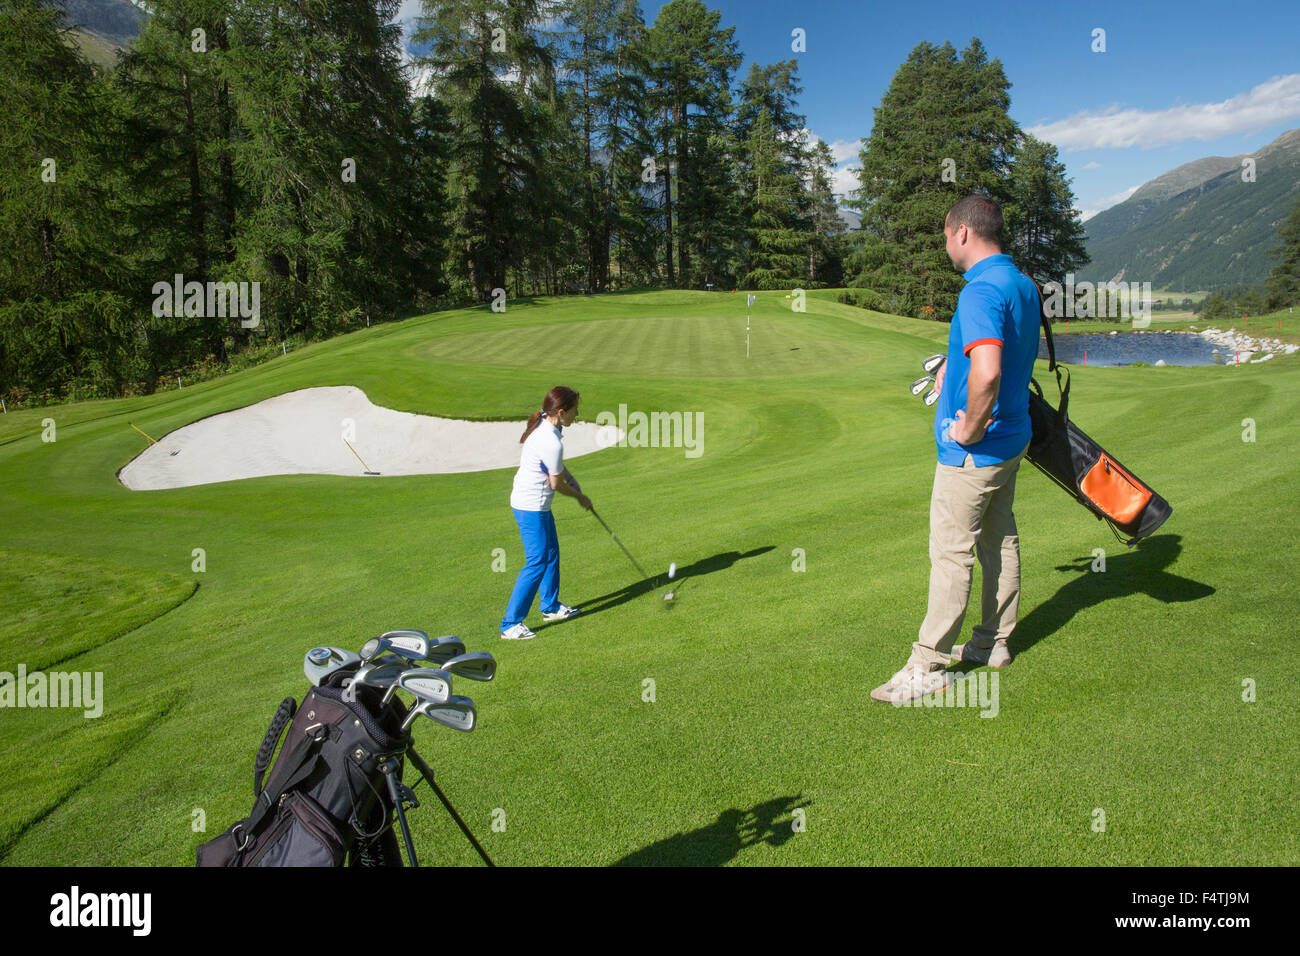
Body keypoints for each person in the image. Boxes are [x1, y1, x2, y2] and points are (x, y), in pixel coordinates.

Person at [870, 195, 1041, 703]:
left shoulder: (980, 291)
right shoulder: (1021, 283)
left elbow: (988, 369)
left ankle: (929, 664)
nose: (945, 245)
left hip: (975, 451)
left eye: (946, 235)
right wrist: (952, 373)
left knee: (950, 553)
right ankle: (993, 643)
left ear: (962, 232)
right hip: (1011, 441)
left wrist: (966, 427)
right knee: (999, 538)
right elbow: (998, 361)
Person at [500, 386, 592, 640]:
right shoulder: (550, 440)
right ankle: (510, 624)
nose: (578, 414)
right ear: (561, 412)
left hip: (534, 504)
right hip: (531, 506)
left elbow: (557, 469)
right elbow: (556, 484)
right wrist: (579, 497)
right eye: (574, 410)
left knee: (551, 553)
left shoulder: (547, 427)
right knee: (537, 561)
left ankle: (550, 607)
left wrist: (577, 487)